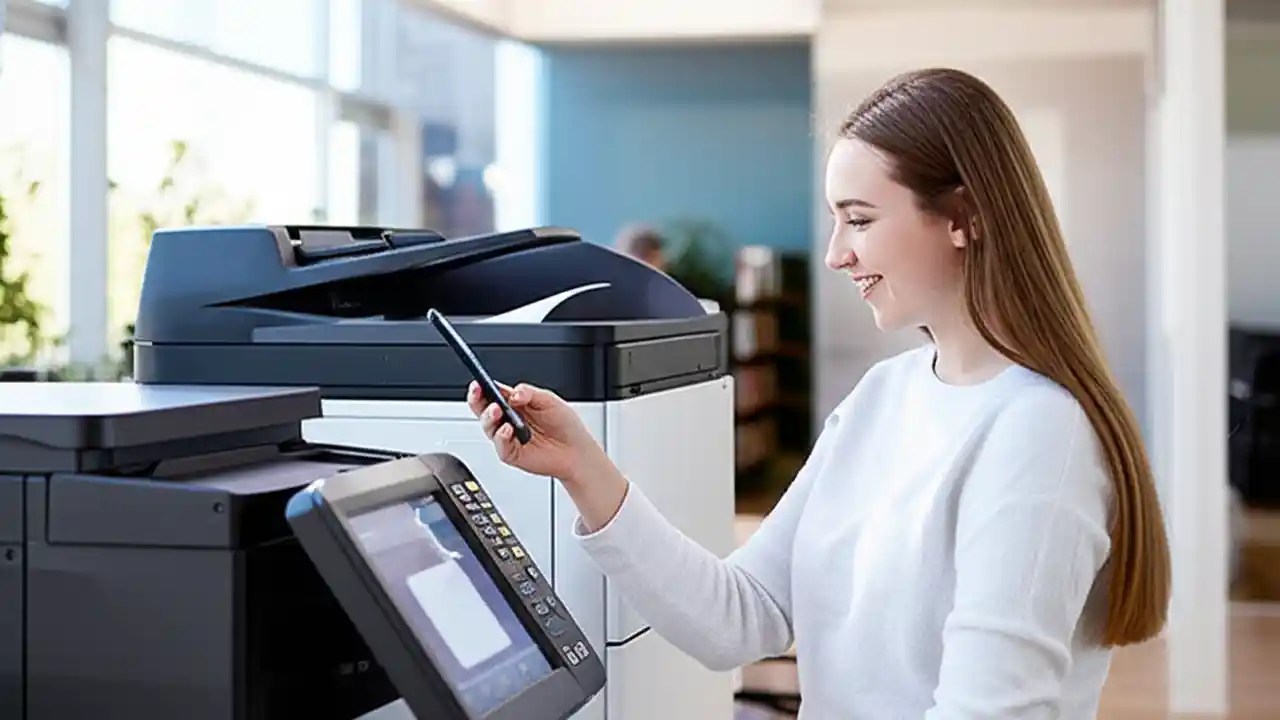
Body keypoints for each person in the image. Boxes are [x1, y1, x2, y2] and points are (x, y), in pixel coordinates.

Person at [466, 67, 1170, 718]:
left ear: (964, 215)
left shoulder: (1037, 434)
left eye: (859, 219)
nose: (835, 253)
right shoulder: (884, 396)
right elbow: (739, 617)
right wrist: (584, 469)